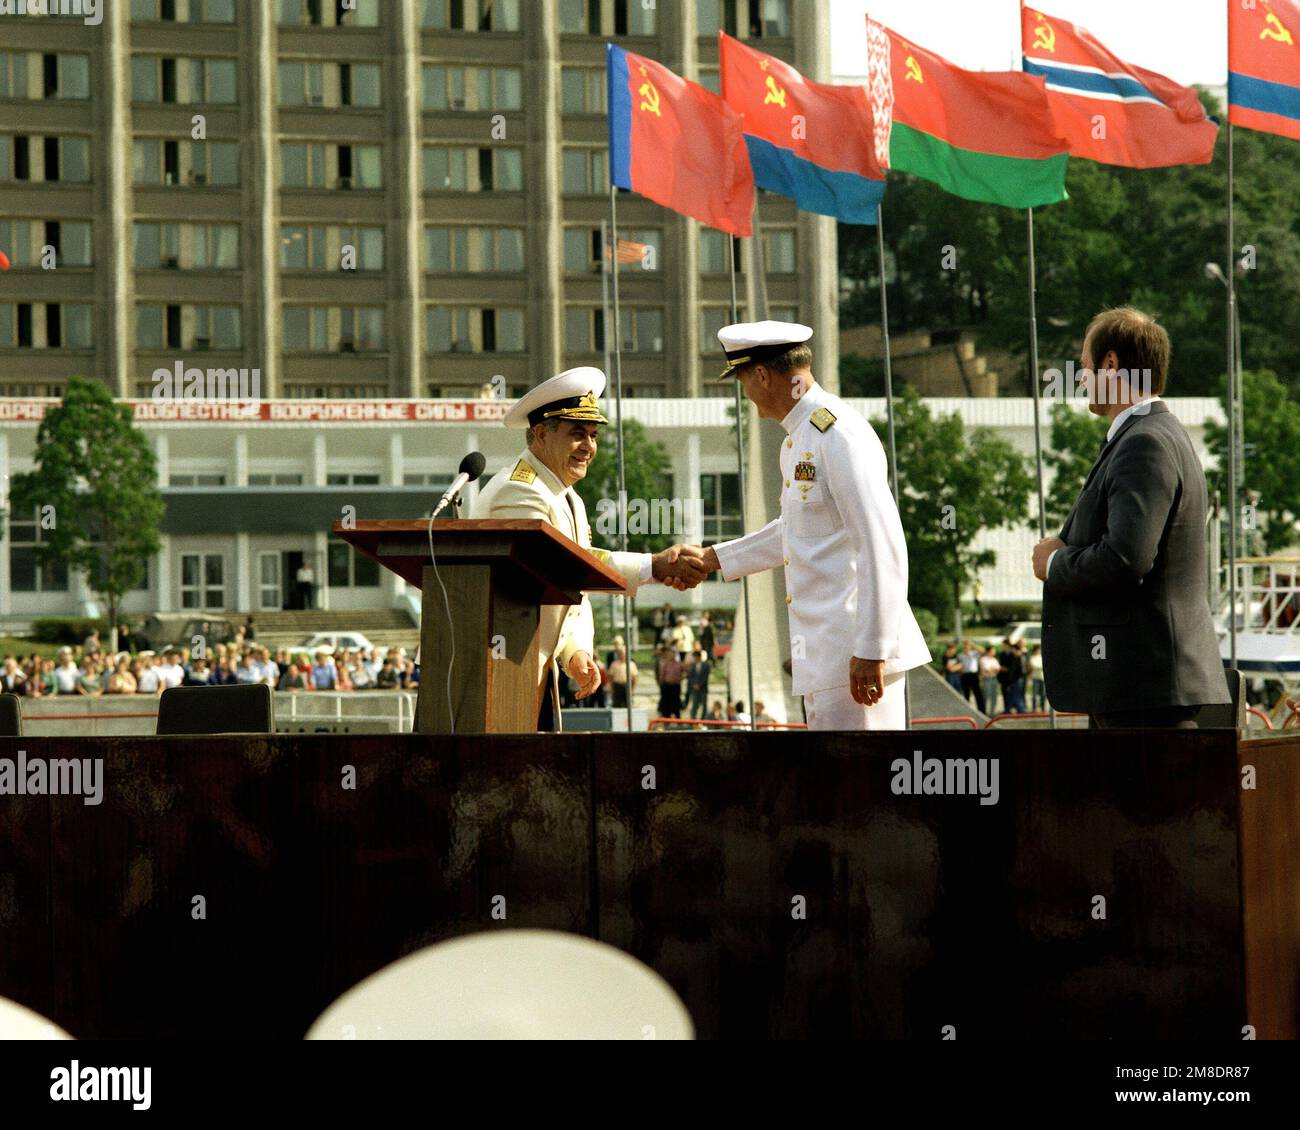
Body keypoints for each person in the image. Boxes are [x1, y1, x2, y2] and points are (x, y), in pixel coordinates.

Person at [696, 322, 931, 730]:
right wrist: (712, 558)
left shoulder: (836, 433)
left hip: (854, 656)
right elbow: (796, 531)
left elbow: (881, 542)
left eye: (743, 382)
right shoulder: (801, 438)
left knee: (863, 787)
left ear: (763, 375)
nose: (747, 395)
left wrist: (872, 649)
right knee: (837, 789)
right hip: (829, 658)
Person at [472, 366, 706, 731]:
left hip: (531, 670)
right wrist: (653, 566)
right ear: (539, 435)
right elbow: (558, 567)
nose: (589, 447)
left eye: (593, 435)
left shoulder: (566, 496)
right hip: (502, 670)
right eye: (577, 434)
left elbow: (567, 593)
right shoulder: (519, 491)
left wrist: (574, 652)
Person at [1033, 307, 1230, 728]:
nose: (1081, 379)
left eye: (1084, 367)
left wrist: (1052, 563)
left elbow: (1126, 558)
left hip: (1143, 693)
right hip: (1143, 690)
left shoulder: (1144, 443)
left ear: (1110, 364)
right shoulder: (1153, 435)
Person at [685, 646, 712, 719]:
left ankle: (704, 719)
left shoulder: (706, 666)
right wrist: (694, 685)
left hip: (703, 688)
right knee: (695, 704)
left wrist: (699, 685)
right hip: (694, 689)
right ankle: (693, 719)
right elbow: (690, 677)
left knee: (704, 705)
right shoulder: (692, 666)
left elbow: (705, 677)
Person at [656, 646, 684, 718]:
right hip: (667, 685)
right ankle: (666, 718)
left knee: (676, 702)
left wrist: (681, 678)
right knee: (666, 703)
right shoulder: (665, 664)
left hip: (675, 686)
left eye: (673, 654)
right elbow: (662, 674)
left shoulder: (679, 664)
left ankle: (677, 718)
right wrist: (661, 684)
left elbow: (685, 671)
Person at [607, 642, 637, 709]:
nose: (622, 655)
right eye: (621, 654)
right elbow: (610, 677)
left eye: (624, 654)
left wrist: (633, 690)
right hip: (617, 687)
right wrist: (611, 689)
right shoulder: (614, 664)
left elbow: (635, 678)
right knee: (617, 705)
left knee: (628, 705)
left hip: (628, 686)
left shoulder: (631, 664)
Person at [958, 641, 982, 711]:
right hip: (965, 675)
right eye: (965, 646)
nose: (966, 647)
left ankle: (981, 711)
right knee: (966, 694)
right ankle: (967, 710)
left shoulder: (974, 653)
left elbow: (982, 651)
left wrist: (973, 644)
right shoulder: (960, 655)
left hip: (973, 675)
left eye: (968, 646)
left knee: (978, 694)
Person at [978, 646, 1000, 716]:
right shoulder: (983, 659)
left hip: (994, 679)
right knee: (986, 696)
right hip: (987, 680)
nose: (994, 652)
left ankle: (992, 713)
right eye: (993, 650)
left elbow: (998, 669)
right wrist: (993, 669)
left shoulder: (994, 659)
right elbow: (987, 670)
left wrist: (992, 669)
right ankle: (984, 712)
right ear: (989, 651)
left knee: (994, 696)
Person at [1027, 644, 1045, 711]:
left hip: (1042, 678)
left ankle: (1043, 708)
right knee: (1034, 694)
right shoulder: (1032, 658)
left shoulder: (1041, 657)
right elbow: (1034, 666)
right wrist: (1040, 667)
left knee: (1043, 694)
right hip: (1035, 678)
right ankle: (1034, 708)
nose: (1039, 651)